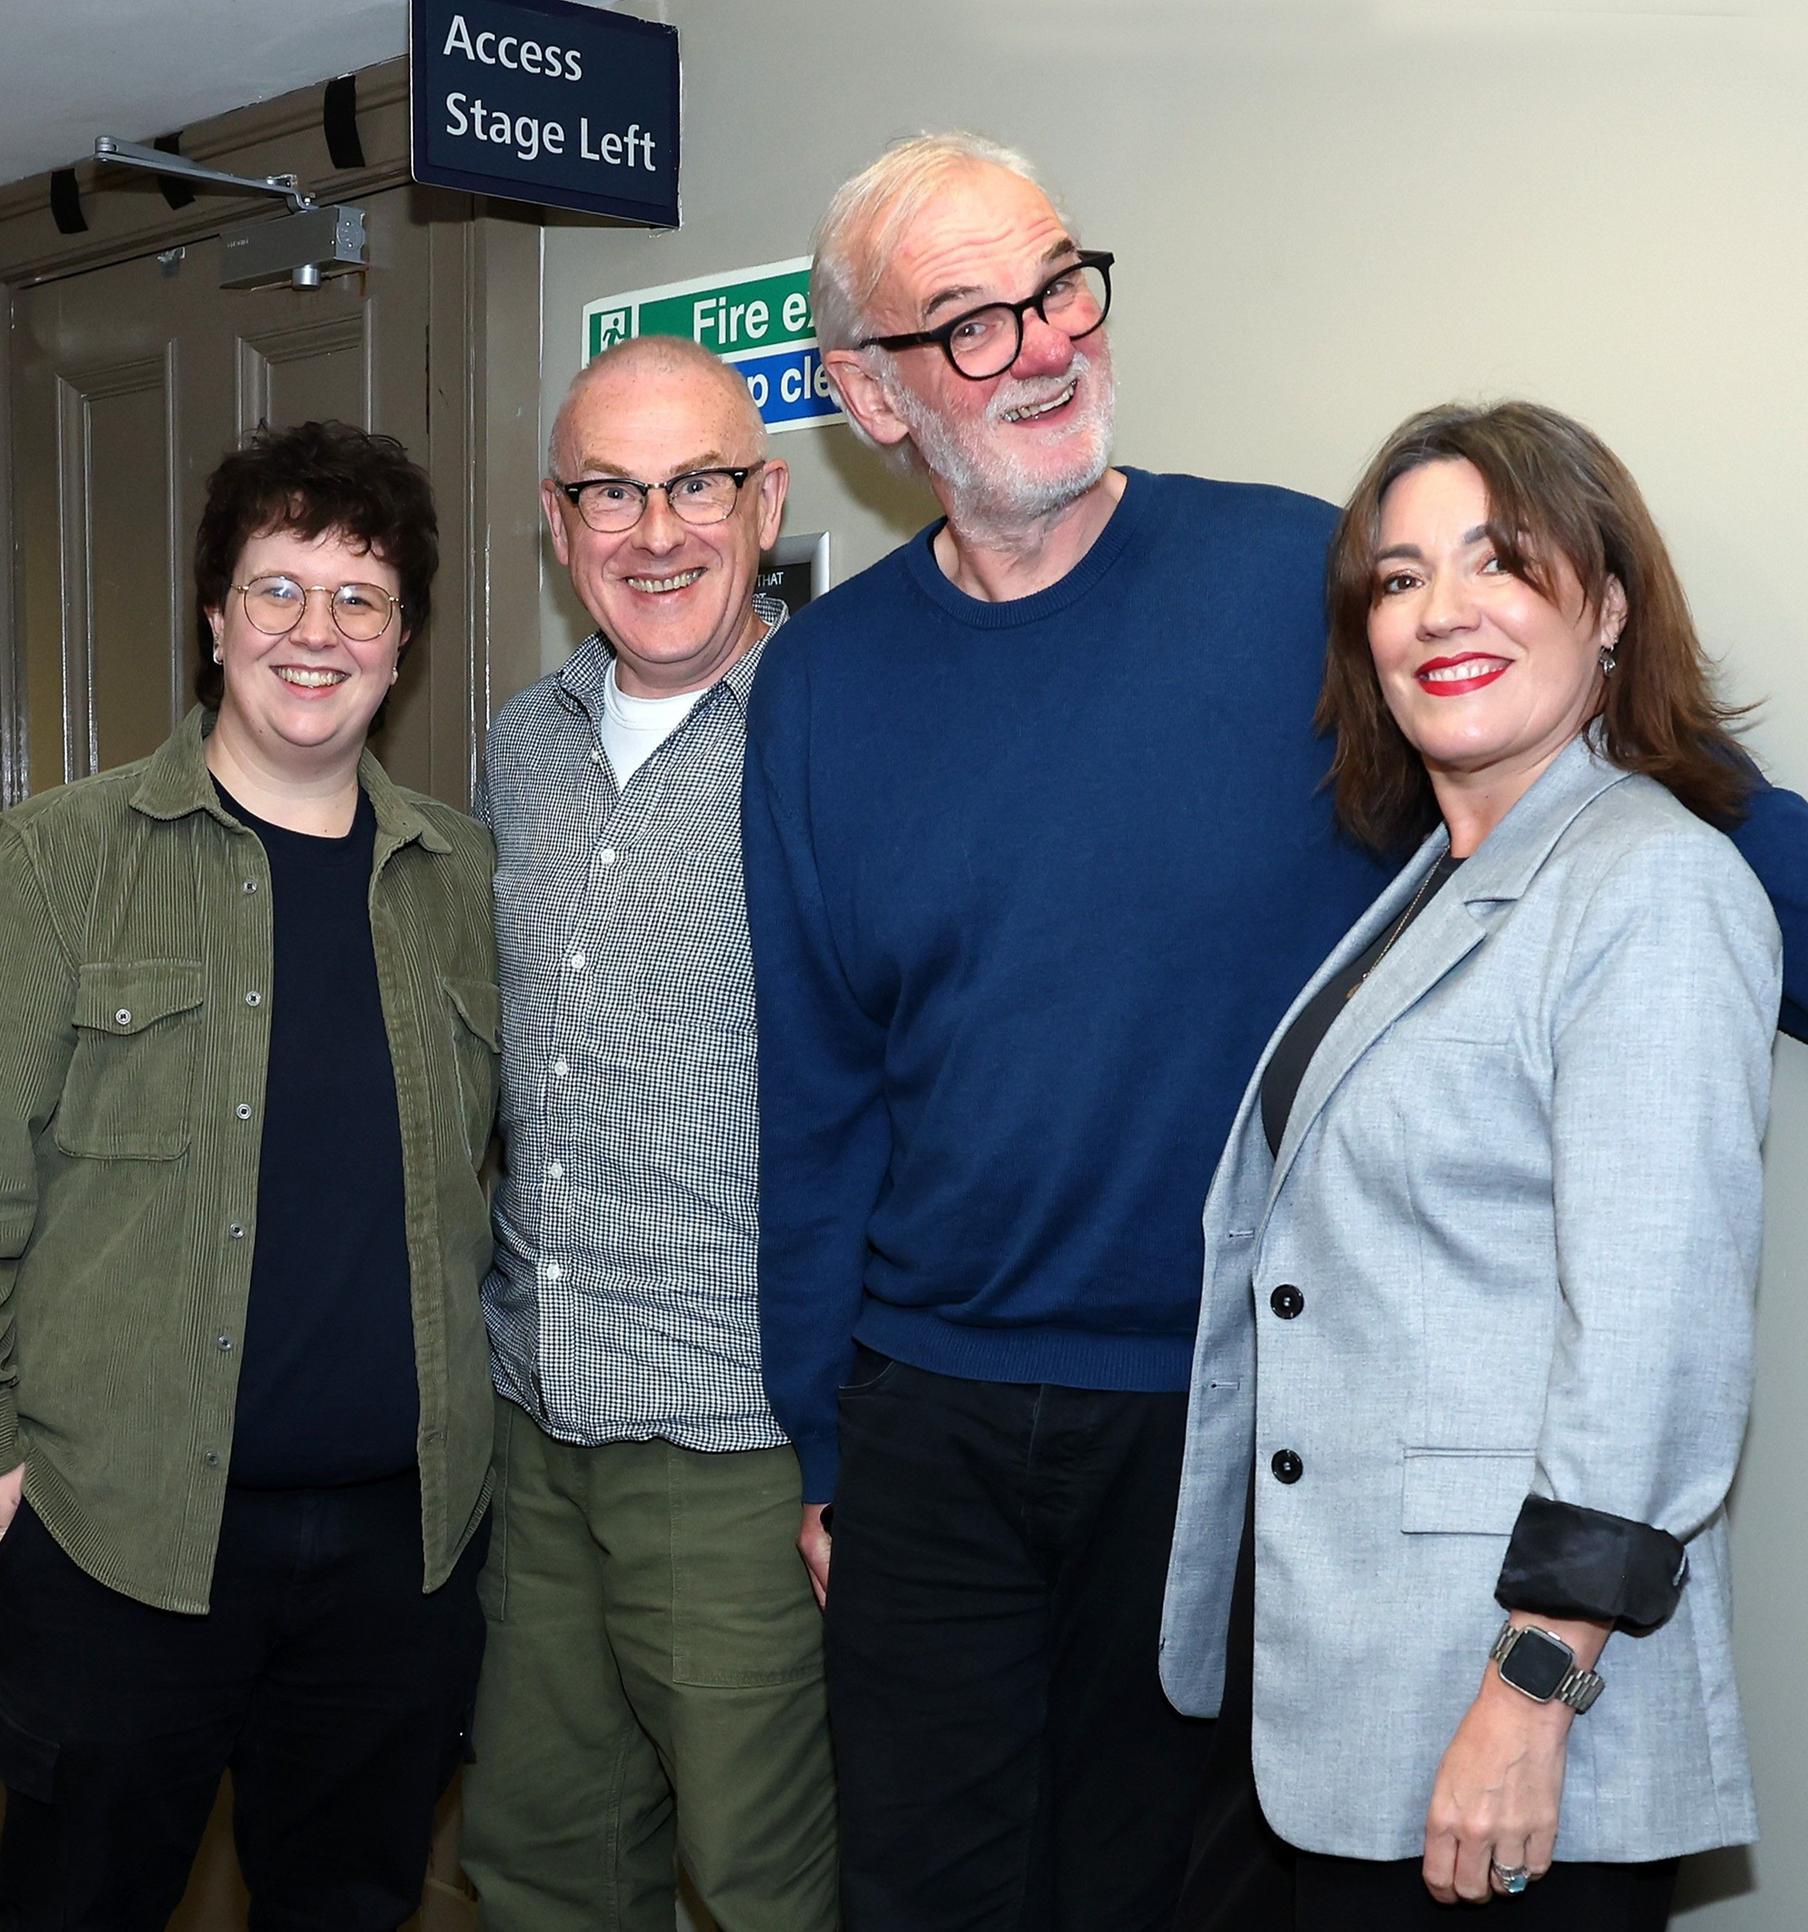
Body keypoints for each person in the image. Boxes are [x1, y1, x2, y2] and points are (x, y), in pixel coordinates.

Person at [739, 133, 1808, 1932]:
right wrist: (827, 1446)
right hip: (928, 1422)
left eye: (1062, 284)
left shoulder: (1296, 582)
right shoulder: (824, 686)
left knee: (1175, 1896)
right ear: (868, 391)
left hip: (1227, 1426)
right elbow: (819, 1092)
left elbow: (1630, 799)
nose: (1049, 343)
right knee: (920, 1888)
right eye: (974, 322)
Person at [0, 420, 500, 1931]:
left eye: (360, 599)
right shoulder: (62, 860)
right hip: (114, 1542)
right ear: (214, 619)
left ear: (403, 643)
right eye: (278, 590)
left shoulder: (461, 880)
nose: (316, 633)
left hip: (396, 1562)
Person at [1161, 400, 1778, 1928]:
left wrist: (1529, 1690)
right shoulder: (1436, 888)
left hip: (1499, 1717)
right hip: (1351, 1682)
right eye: (1398, 577)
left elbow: (1655, 1343)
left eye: (1500, 562)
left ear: (1611, 602)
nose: (1442, 611)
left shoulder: (1654, 887)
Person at [459, 335, 838, 1931]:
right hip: (532, 1418)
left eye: (696, 486)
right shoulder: (516, 746)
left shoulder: (837, 727)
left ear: (767, 503)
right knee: (542, 1862)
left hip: (736, 1442)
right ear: (558, 525)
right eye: (612, 492)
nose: (656, 532)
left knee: (761, 1882)